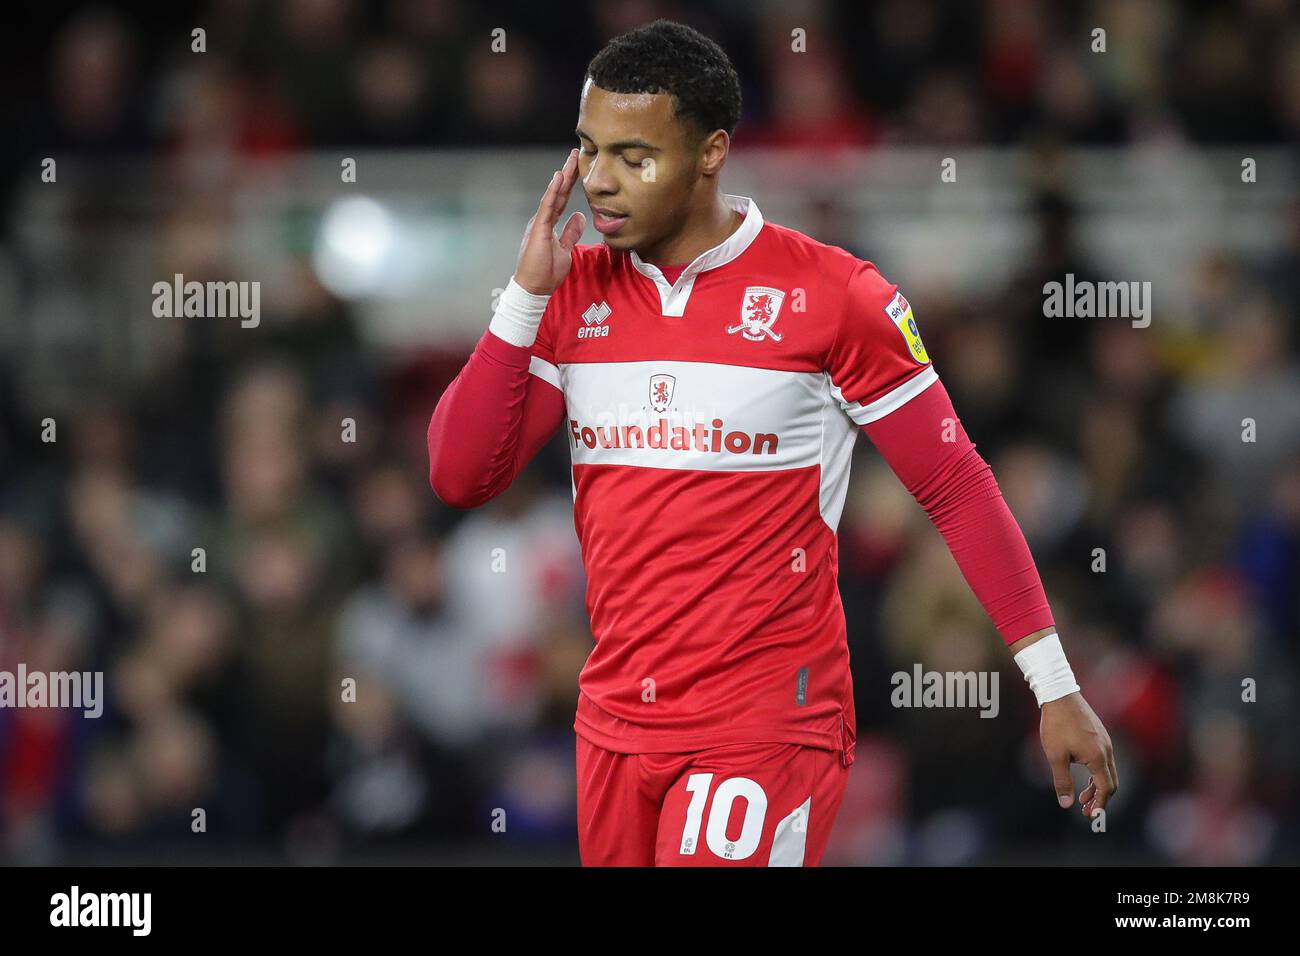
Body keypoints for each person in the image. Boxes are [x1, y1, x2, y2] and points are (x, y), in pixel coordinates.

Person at [427, 19, 1117, 866]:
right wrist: (523, 296)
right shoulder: (573, 296)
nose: (598, 182)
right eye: (588, 149)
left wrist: (1054, 687)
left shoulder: (834, 297)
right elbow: (460, 475)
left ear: (711, 151)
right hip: (612, 724)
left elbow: (957, 487)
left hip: (766, 723)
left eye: (632, 156)